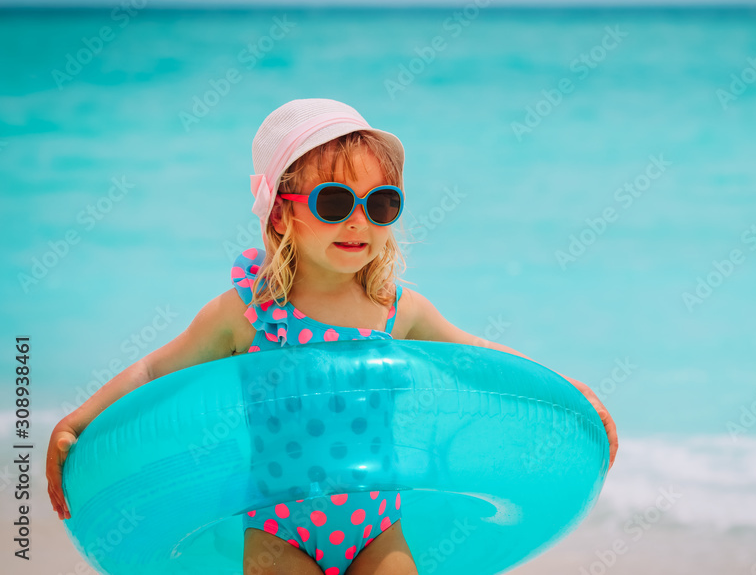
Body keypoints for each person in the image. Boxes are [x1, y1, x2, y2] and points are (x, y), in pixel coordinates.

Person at [46, 98, 619, 575]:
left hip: (377, 526)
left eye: (381, 204)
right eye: (335, 202)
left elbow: (480, 361)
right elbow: (156, 372)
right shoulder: (250, 312)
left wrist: (571, 393)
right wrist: (77, 422)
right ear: (280, 215)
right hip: (277, 527)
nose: (359, 220)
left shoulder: (396, 309)